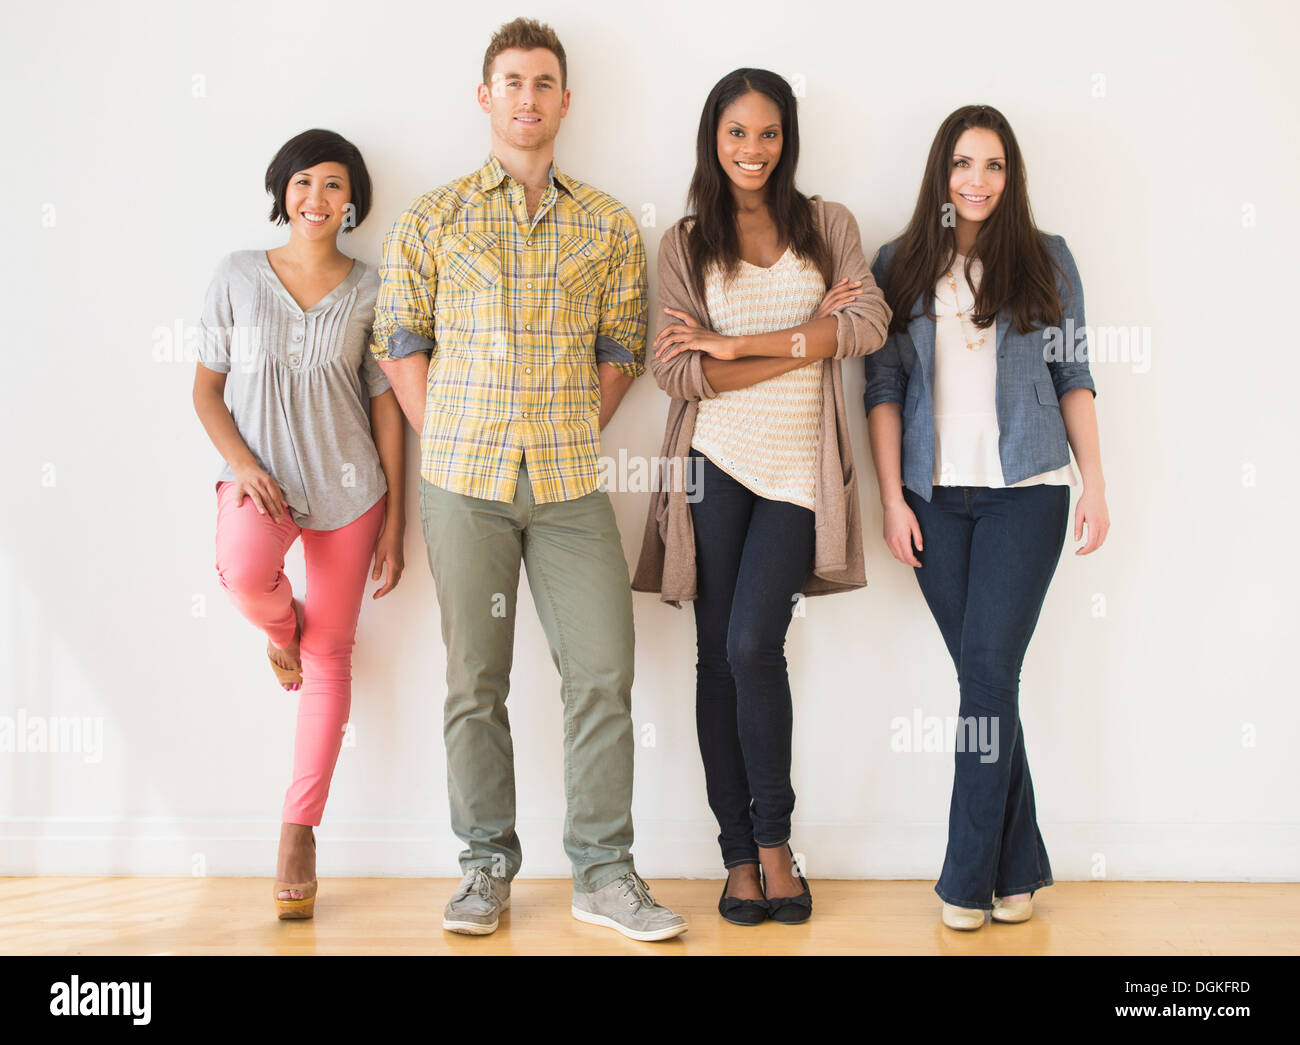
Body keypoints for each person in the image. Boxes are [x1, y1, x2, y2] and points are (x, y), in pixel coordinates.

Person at [369, 17, 686, 942]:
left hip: (569, 486)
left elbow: (626, 342)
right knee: (475, 678)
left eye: (543, 82)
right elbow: (401, 338)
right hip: (462, 482)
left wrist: (572, 424)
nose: (527, 97)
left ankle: (603, 871)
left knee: (602, 670)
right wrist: (456, 434)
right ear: (485, 96)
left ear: (564, 101)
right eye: (511, 81)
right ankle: (484, 868)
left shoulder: (609, 224)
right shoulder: (433, 217)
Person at [631, 69, 890, 925]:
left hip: (795, 470)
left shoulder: (828, 225)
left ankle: (777, 841)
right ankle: (739, 858)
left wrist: (734, 342)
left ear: (788, 139)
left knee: (752, 645)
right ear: (714, 136)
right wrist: (804, 341)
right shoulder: (684, 240)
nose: (753, 149)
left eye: (769, 133)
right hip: (710, 464)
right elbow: (675, 369)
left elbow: (868, 325)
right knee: (716, 654)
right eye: (737, 132)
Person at [863, 104, 1110, 930]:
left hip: (1028, 493)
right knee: (987, 683)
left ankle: (964, 879)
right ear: (942, 174)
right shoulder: (898, 266)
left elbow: (1075, 373)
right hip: (935, 500)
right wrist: (893, 497)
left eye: (994, 165)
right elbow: (884, 389)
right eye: (963, 164)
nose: (977, 180)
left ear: (1012, 176)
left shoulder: (1047, 261)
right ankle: (1019, 868)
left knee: (985, 676)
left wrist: (1096, 482)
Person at [192, 129, 406, 919]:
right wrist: (241, 466)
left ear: (354, 203)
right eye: (304, 181)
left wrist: (395, 520)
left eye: (335, 186)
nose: (317, 198)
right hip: (263, 483)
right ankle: (283, 630)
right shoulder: (238, 276)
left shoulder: (372, 288)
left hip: (352, 491)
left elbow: (386, 406)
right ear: (282, 188)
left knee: (333, 654)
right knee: (246, 575)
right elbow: (205, 388)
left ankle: (298, 829)